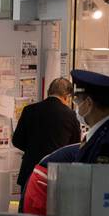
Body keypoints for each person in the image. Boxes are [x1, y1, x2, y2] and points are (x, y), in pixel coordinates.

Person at [12, 77, 81, 208]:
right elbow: (74, 146)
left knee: (28, 211)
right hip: (57, 173)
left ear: (49, 92)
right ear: (67, 96)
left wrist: (33, 149)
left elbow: (17, 140)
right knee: (54, 214)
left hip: (30, 170)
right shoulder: (71, 115)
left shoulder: (29, 110)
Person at [71, 69, 109, 164]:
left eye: (77, 102)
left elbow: (99, 177)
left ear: (88, 103)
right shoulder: (105, 132)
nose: (77, 108)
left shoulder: (108, 142)